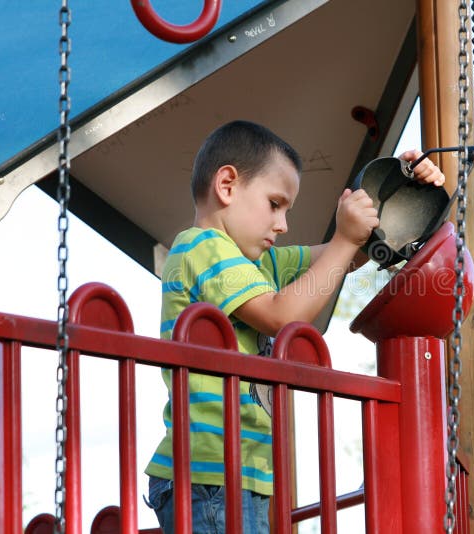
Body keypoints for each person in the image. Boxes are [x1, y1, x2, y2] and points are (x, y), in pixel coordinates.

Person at [144, 120, 445, 533]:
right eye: (275, 203)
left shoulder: (259, 264)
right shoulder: (201, 247)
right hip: (207, 473)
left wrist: (395, 195)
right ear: (227, 185)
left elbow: (343, 259)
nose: (283, 224)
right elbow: (282, 315)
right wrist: (343, 240)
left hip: (236, 472)